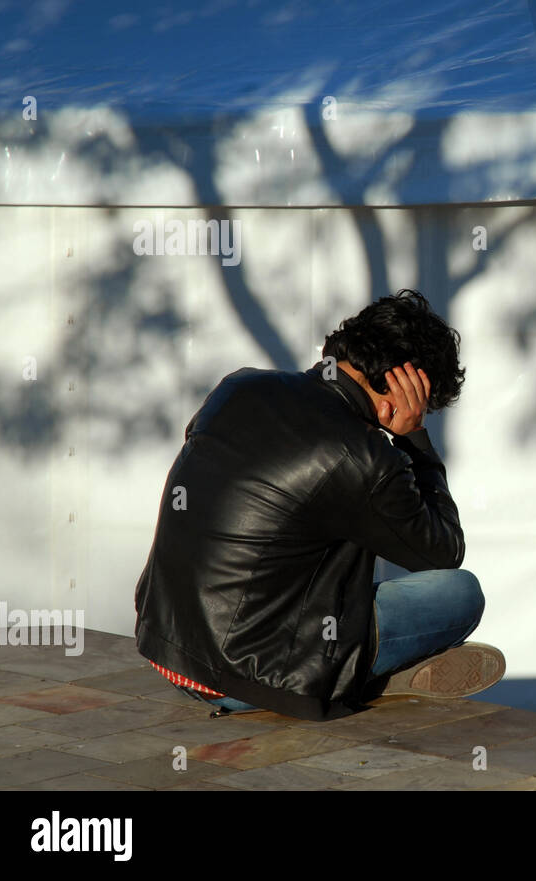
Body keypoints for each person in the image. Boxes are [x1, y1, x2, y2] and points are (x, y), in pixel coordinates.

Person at [134, 289, 503, 720]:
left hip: (165, 646)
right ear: (403, 391)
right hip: (245, 677)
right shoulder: (365, 458)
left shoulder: (238, 386)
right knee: (461, 593)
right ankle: (366, 674)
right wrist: (414, 438)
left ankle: (360, 666)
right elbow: (441, 551)